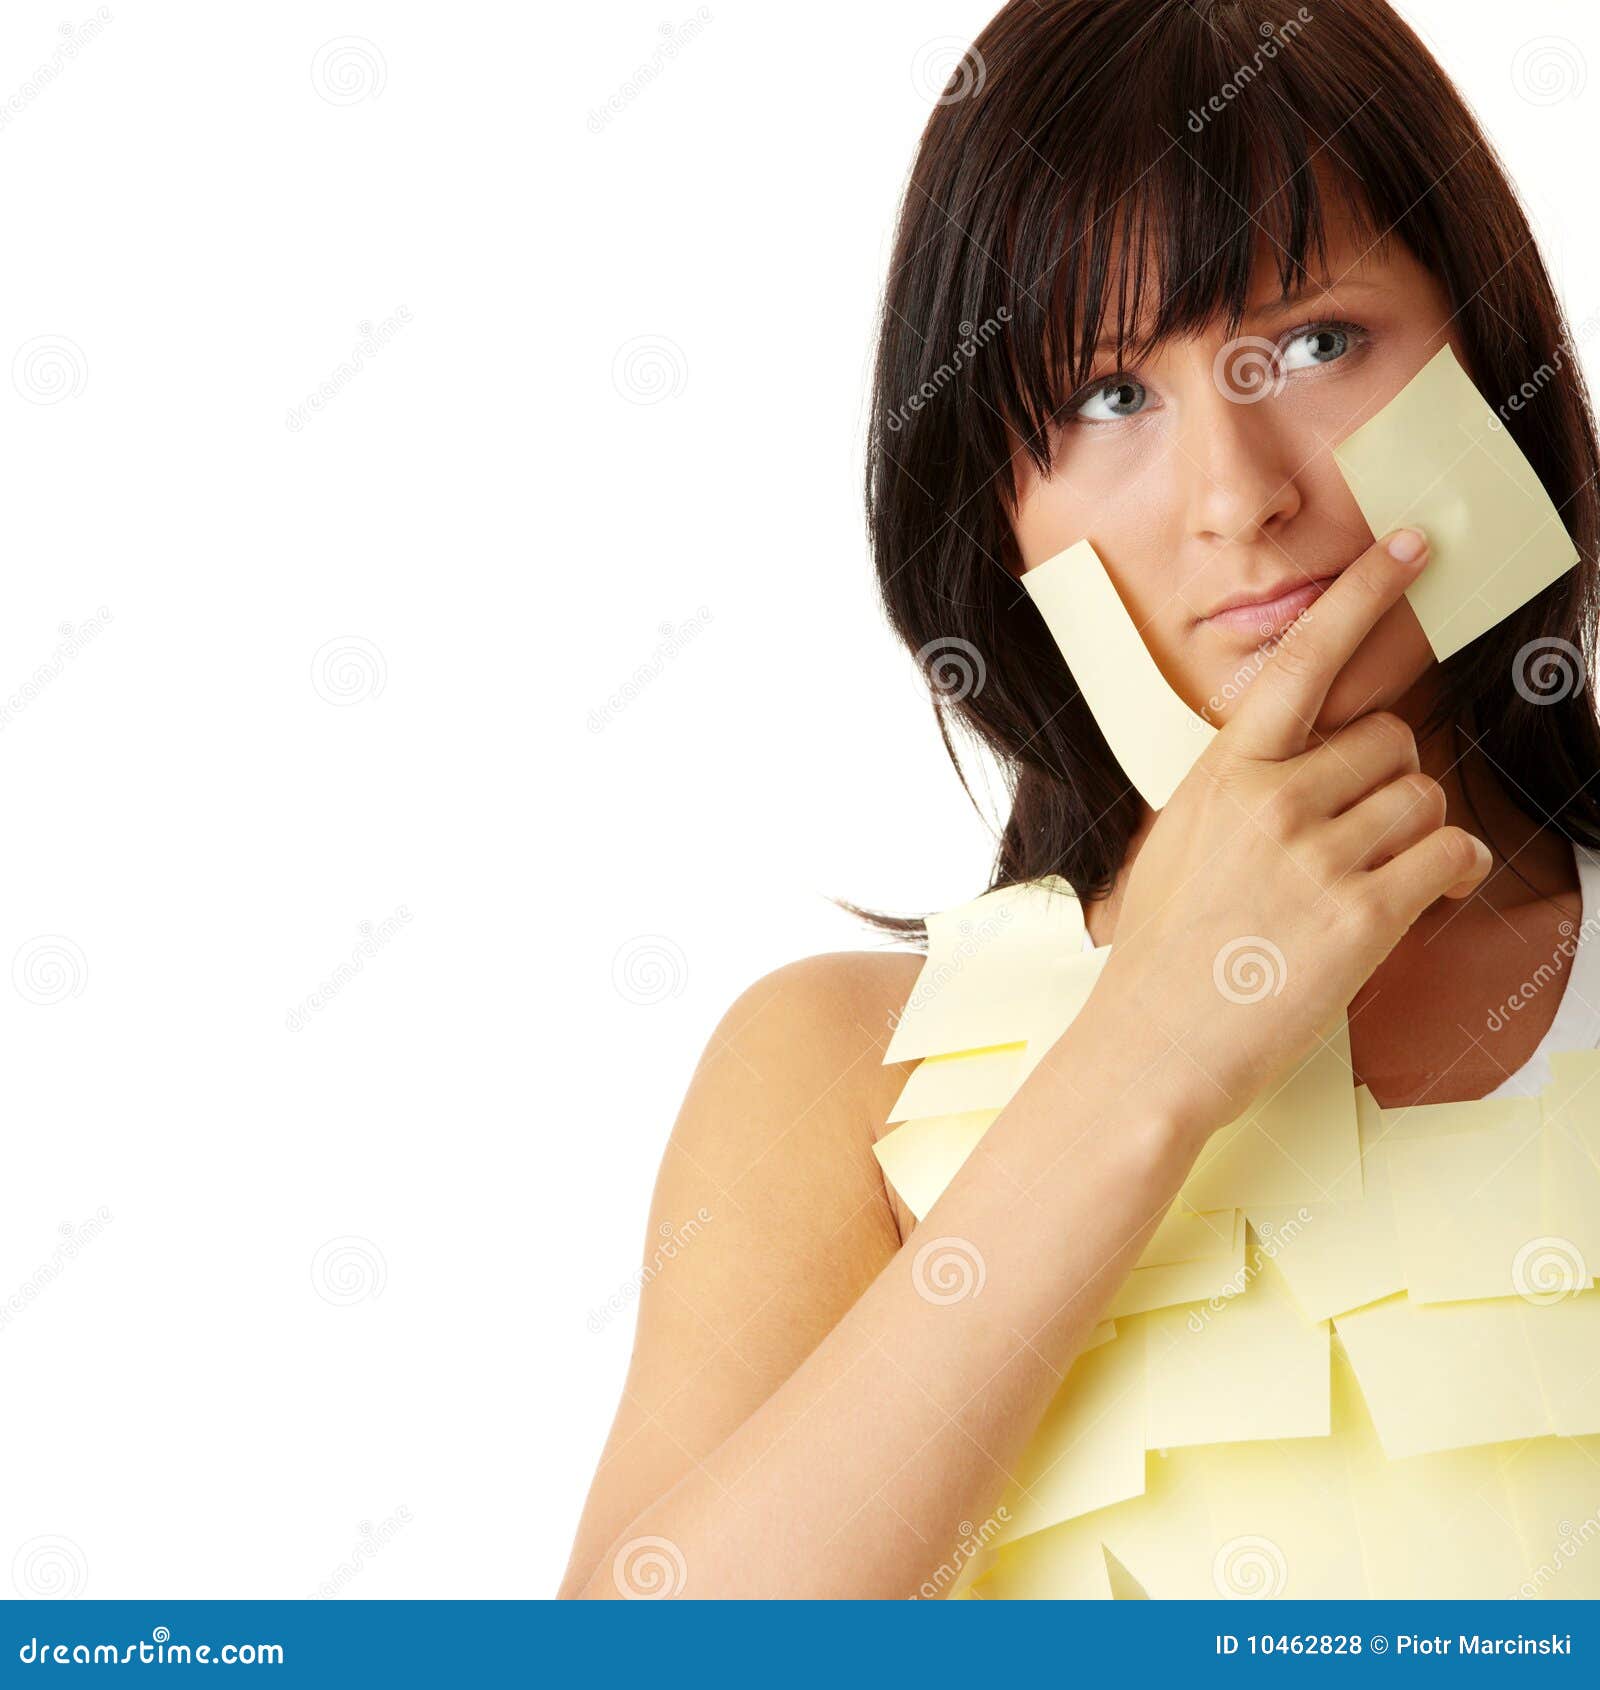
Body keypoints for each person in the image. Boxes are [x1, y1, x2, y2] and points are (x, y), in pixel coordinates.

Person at [560, 0, 1600, 1599]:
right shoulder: (838, 1071)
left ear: (1492, 364)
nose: (1242, 495)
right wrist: (1154, 1046)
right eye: (1110, 395)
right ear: (1003, 511)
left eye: (1318, 342)